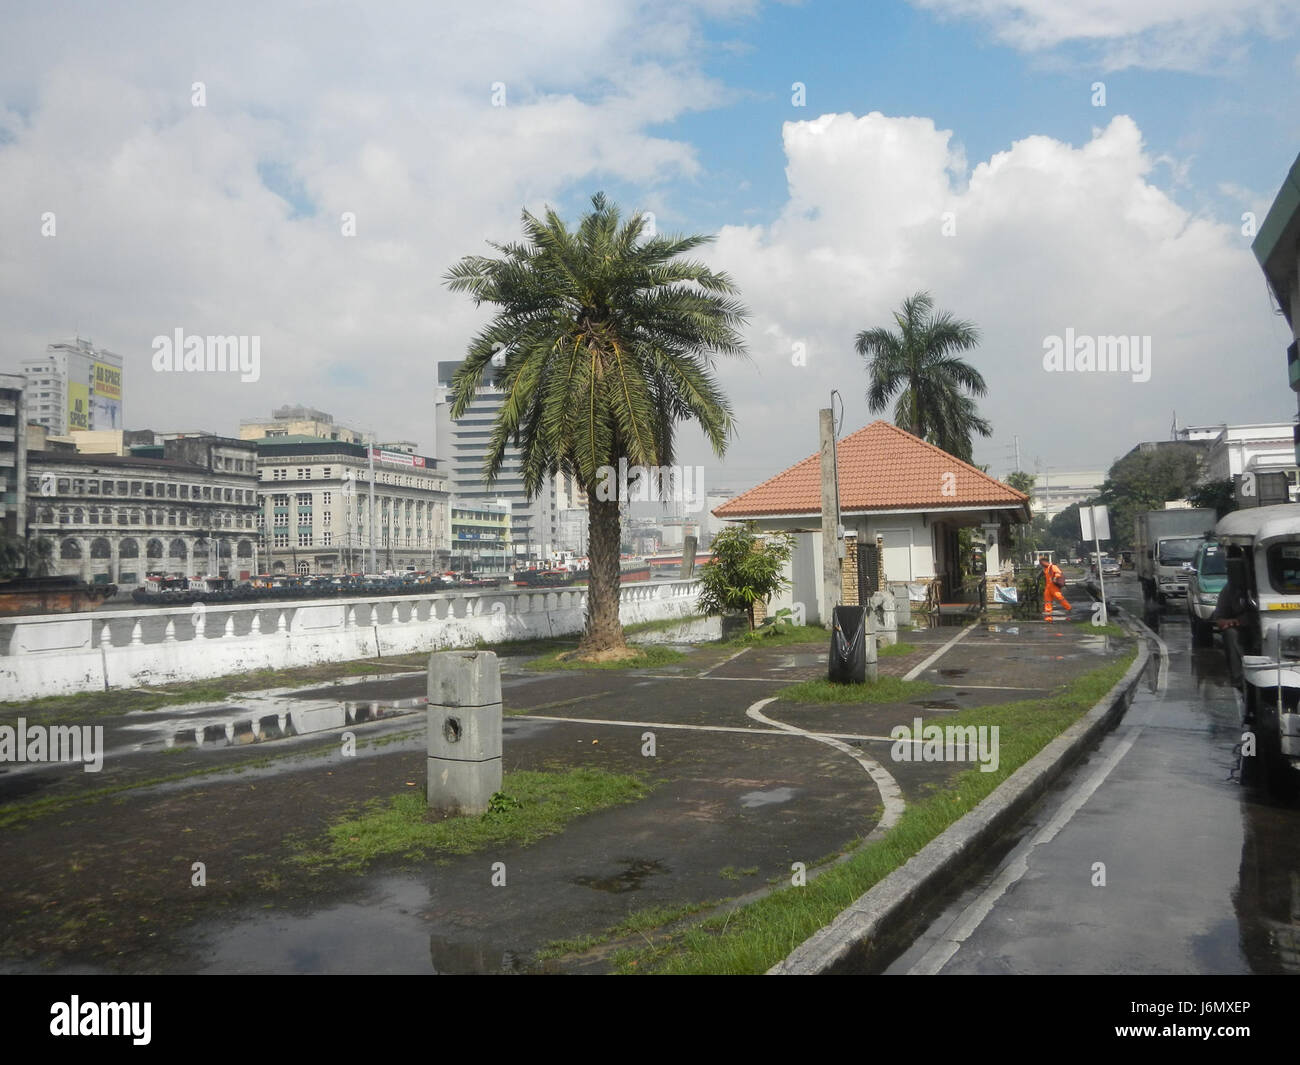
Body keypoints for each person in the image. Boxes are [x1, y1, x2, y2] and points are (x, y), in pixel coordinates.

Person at [1040, 554, 1071, 621]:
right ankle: (1048, 615)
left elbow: (1058, 572)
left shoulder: (1053, 566)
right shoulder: (1045, 569)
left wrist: (1055, 577)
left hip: (1053, 586)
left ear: (1045, 562)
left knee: (1059, 597)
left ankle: (1068, 608)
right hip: (1048, 586)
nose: (1041, 564)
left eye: (1042, 563)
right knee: (1047, 600)